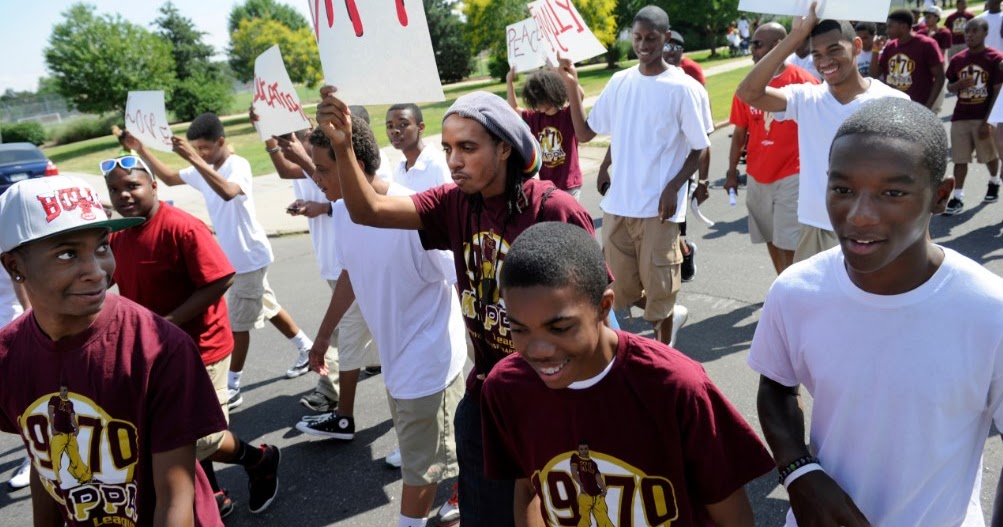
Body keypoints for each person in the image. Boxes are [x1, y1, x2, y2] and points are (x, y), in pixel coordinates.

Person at [314, 86, 599, 527]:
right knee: (488, 516)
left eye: (468, 147)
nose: (454, 161)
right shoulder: (453, 204)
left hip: (556, 400)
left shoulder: (552, 209)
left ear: (504, 148)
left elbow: (597, 315)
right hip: (489, 397)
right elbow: (368, 209)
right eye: (448, 148)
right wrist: (342, 145)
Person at [749, 96, 1003, 526]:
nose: (860, 215)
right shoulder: (796, 290)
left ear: (940, 196)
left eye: (892, 193)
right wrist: (799, 472)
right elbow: (775, 385)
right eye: (842, 189)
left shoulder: (989, 311)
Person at [481, 222, 775, 525]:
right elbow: (527, 487)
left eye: (560, 328)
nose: (539, 349)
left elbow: (732, 513)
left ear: (604, 307)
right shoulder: (506, 389)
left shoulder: (676, 387)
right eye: (519, 329)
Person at [0, 175, 225, 525]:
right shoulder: (7, 356)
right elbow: (44, 466)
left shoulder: (159, 348)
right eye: (67, 254)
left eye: (102, 247)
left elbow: (174, 496)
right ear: (14, 266)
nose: (96, 271)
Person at [300, 116, 466, 527]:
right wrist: (323, 336)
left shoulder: (416, 215)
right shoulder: (341, 212)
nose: (315, 178)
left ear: (351, 162)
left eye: (322, 168)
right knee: (431, 456)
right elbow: (351, 272)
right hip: (397, 362)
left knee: (422, 470)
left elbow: (463, 282)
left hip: (429, 367)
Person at [103, 155, 281, 516]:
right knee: (176, 427)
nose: (124, 195)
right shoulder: (118, 234)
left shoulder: (182, 227)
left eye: (132, 186)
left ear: (154, 186)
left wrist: (168, 321)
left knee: (202, 436)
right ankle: (213, 491)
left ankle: (260, 460)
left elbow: (221, 277)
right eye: (115, 189)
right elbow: (109, 281)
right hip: (156, 351)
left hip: (204, 347)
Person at [118, 113, 315, 409]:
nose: (201, 154)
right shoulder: (204, 166)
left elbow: (227, 192)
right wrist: (141, 150)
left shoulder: (238, 166)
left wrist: (194, 160)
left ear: (221, 142)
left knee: (238, 323)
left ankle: (233, 384)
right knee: (267, 306)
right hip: (235, 257)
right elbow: (171, 178)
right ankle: (307, 348)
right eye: (196, 149)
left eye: (205, 148)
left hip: (248, 257)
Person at [562, 5, 713, 347]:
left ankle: (663, 351)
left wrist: (675, 187)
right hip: (619, 205)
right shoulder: (621, 81)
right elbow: (586, 134)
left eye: (652, 38)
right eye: (638, 38)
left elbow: (698, 147)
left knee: (660, 288)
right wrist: (572, 86)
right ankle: (672, 314)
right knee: (621, 288)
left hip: (658, 209)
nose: (644, 45)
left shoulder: (682, 88)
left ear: (666, 37)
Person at [737, 7, 909, 262]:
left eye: (834, 50)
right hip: (815, 227)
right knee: (811, 302)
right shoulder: (807, 98)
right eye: (816, 54)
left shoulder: (893, 101)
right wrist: (795, 38)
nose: (824, 61)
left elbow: (908, 175)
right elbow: (748, 93)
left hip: (874, 227)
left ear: (857, 45)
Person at [727, 23, 820, 275]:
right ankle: (783, 283)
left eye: (758, 44)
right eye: (753, 44)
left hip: (792, 174)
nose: (752, 49)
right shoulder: (748, 87)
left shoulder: (804, 82)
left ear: (778, 46)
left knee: (789, 241)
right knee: (769, 237)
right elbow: (739, 133)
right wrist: (731, 171)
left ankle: (794, 291)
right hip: (757, 175)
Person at [944, 17, 1003, 214]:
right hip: (961, 115)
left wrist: (988, 121)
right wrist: (957, 85)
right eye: (967, 31)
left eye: (974, 31)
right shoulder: (958, 59)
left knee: (988, 156)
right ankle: (957, 197)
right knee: (960, 159)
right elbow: (950, 85)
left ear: (985, 33)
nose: (969, 35)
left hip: (982, 115)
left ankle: (994, 182)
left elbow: (996, 91)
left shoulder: (994, 58)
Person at [505, 69, 584, 199]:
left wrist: (567, 75)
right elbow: (513, 110)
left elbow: (579, 96)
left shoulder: (568, 114)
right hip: (549, 185)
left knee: (567, 217)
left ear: (550, 93)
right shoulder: (535, 117)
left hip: (570, 183)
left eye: (538, 99)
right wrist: (509, 81)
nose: (536, 104)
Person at [872, 9, 946, 112]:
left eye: (890, 26)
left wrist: (927, 107)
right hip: (895, 108)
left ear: (903, 26)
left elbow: (940, 77)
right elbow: (874, 74)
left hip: (920, 107)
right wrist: (875, 50)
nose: (886, 31)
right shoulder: (890, 47)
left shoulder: (926, 44)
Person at [0, 271, 31, 490]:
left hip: (11, 328)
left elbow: (19, 276)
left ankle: (35, 457)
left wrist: (30, 318)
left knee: (24, 400)